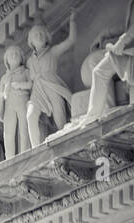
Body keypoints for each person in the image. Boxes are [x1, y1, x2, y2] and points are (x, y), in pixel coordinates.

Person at [83, 0, 134, 121]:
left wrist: (123, 40)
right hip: (131, 44)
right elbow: (129, 26)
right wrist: (106, 33)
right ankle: (98, 114)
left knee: (99, 71)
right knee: (97, 69)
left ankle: (94, 116)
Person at [27, 14, 77, 146]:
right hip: (37, 91)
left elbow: (71, 41)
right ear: (31, 42)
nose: (40, 36)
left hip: (52, 86)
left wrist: (72, 21)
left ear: (47, 38)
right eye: (36, 34)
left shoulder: (53, 52)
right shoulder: (29, 61)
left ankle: (65, 141)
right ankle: (35, 149)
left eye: (42, 34)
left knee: (60, 116)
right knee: (30, 115)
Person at [0, 45, 35, 158]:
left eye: (16, 53)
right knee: (8, 132)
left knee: (24, 129)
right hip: (9, 105)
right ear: (6, 60)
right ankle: (9, 157)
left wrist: (19, 85)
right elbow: (1, 95)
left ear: (21, 58)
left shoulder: (25, 72)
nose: (14, 55)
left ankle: (25, 153)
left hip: (22, 101)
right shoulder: (4, 77)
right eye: (11, 54)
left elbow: (31, 85)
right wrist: (4, 92)